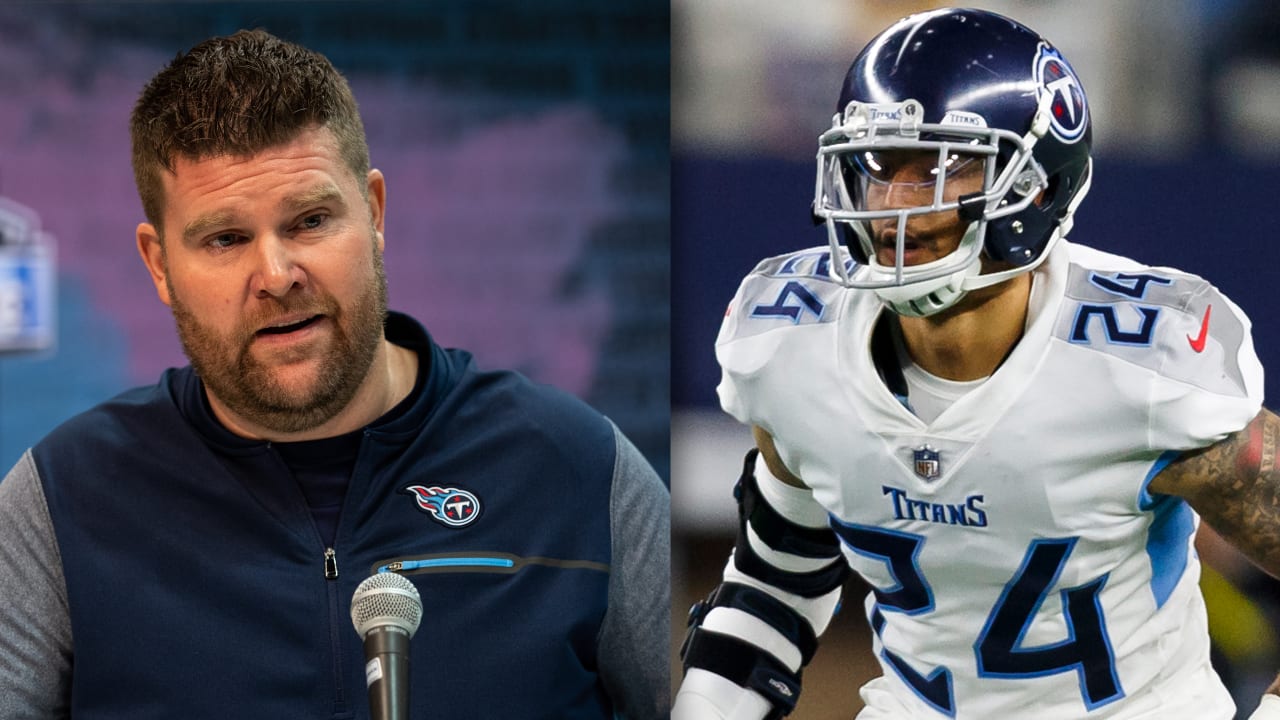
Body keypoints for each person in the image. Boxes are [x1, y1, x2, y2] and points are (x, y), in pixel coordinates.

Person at [0, 29, 670, 719]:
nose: (277, 276)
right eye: (225, 239)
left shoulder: (581, 472)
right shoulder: (60, 505)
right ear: (160, 264)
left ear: (374, 213)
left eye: (311, 220)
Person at [674, 7, 1280, 719]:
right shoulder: (791, 345)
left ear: (1039, 186)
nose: (898, 205)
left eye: (940, 166)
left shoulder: (1141, 363)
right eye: (878, 166)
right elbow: (774, 582)